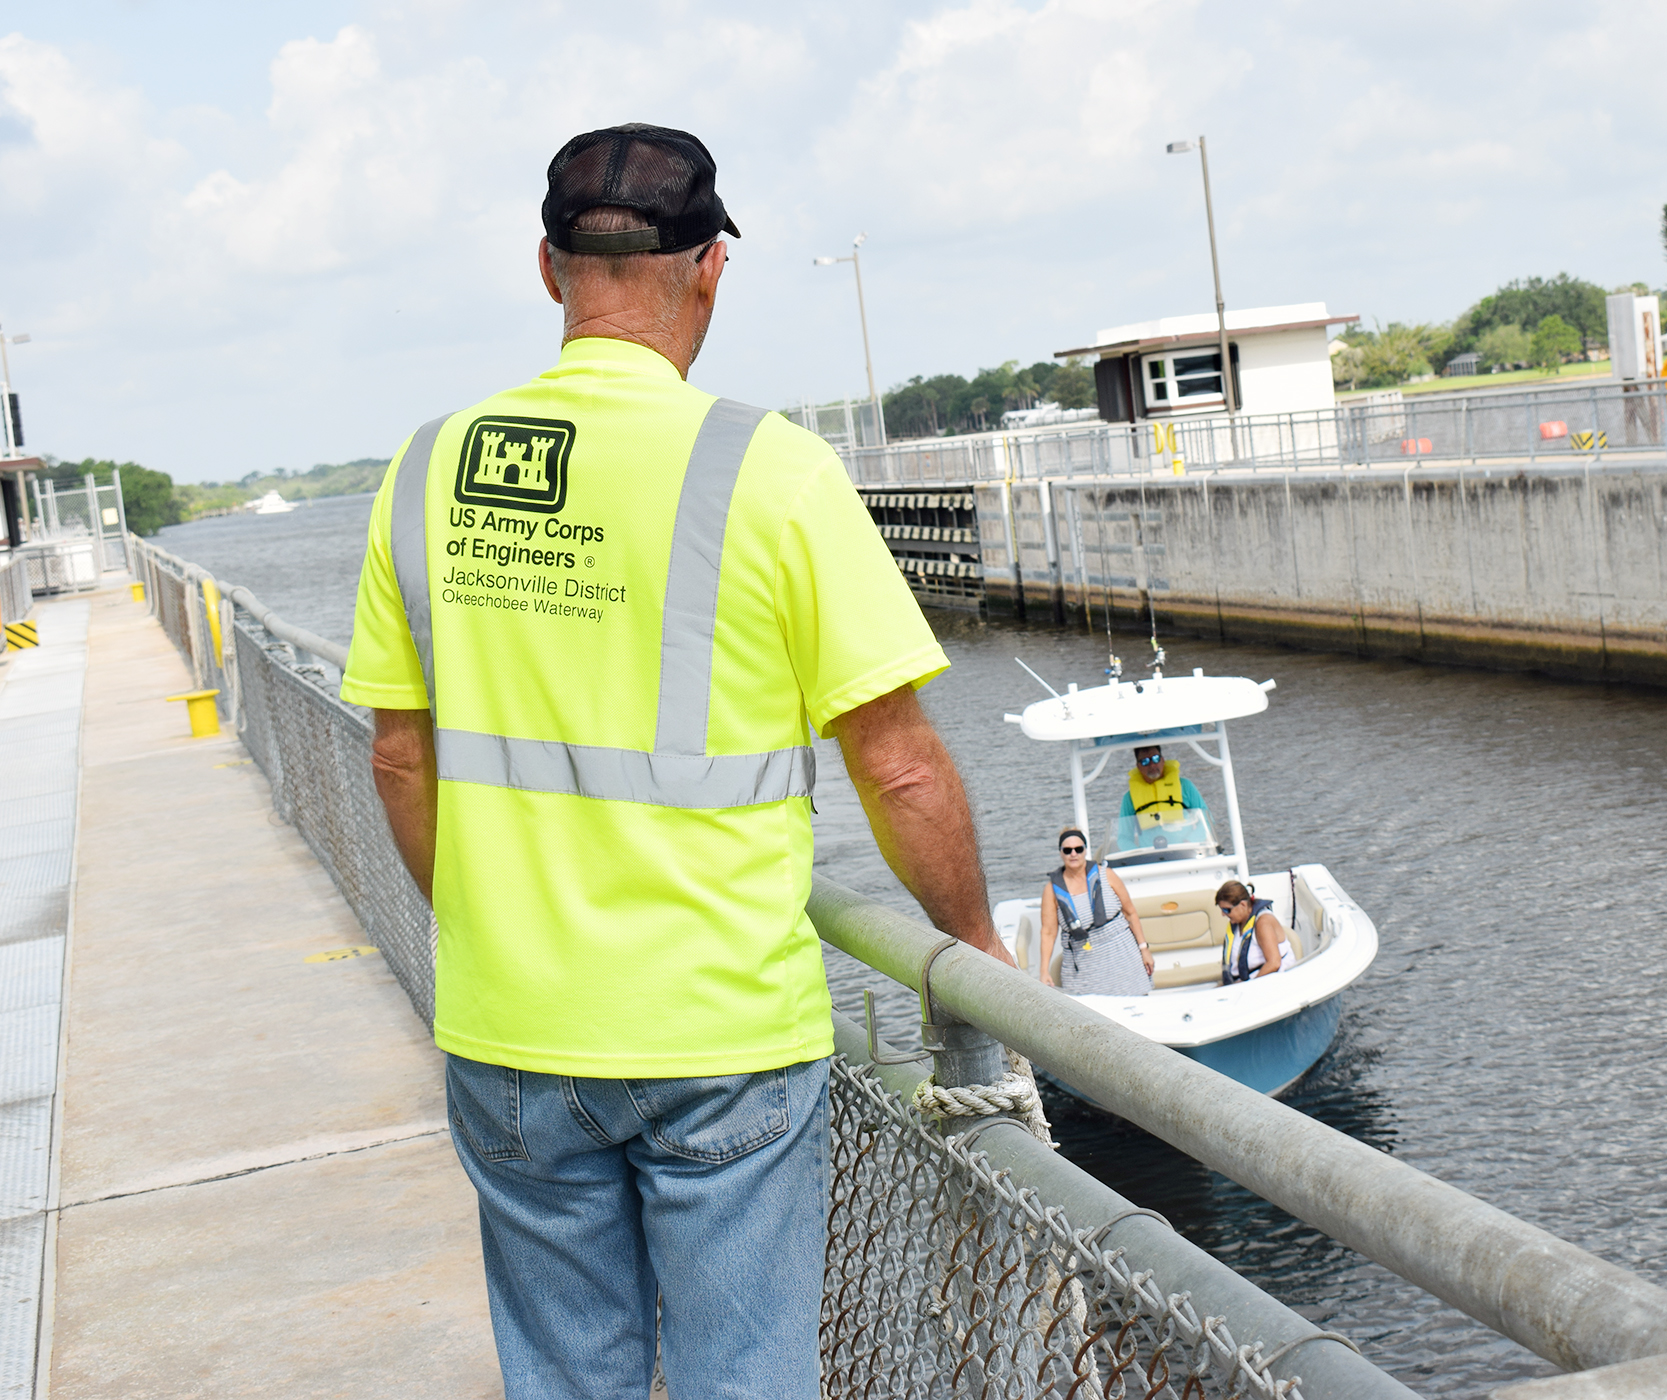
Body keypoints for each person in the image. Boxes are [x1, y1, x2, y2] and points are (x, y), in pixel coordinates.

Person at [342, 123, 1013, 1400]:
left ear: (550, 268)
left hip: (513, 1025)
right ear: (710, 267)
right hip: (720, 1030)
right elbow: (899, 767)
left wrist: (496, 931)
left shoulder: (428, 468)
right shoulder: (776, 471)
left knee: (567, 1375)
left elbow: (397, 762)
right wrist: (974, 947)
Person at [1040, 828, 1153, 995]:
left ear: (1085, 850)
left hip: (1123, 958)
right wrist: (1044, 971)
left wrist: (1144, 949)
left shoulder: (1107, 875)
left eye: (1078, 849)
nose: (1073, 854)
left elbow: (1130, 913)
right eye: (1068, 850)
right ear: (1061, 853)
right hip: (1083, 967)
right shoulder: (1051, 891)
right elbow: (1048, 933)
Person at [1113, 743, 1209, 852]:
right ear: (1138, 766)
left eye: (1156, 759)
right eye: (1145, 761)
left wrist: (1190, 842)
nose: (1152, 765)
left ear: (1163, 760)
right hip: (1150, 859)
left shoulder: (1185, 786)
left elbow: (1207, 821)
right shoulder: (1129, 798)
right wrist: (1139, 854)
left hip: (1187, 853)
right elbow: (1123, 838)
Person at [1215, 879, 1296, 984]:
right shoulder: (1237, 923)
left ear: (1243, 905)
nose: (1223, 914)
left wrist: (1249, 987)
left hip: (1269, 982)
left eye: (1226, 910)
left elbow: (1274, 963)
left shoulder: (1263, 923)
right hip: (1242, 982)